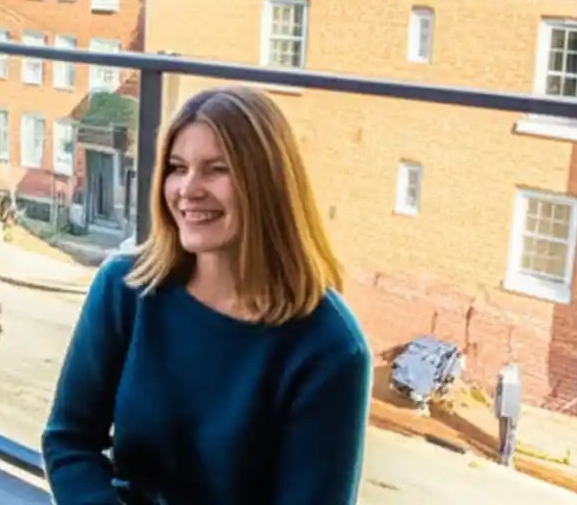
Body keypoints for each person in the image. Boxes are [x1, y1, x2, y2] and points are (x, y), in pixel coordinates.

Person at [42, 85, 371, 504]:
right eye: (177, 167)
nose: (188, 189)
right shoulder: (126, 289)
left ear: (268, 184)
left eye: (217, 169)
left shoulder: (330, 349)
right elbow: (69, 440)